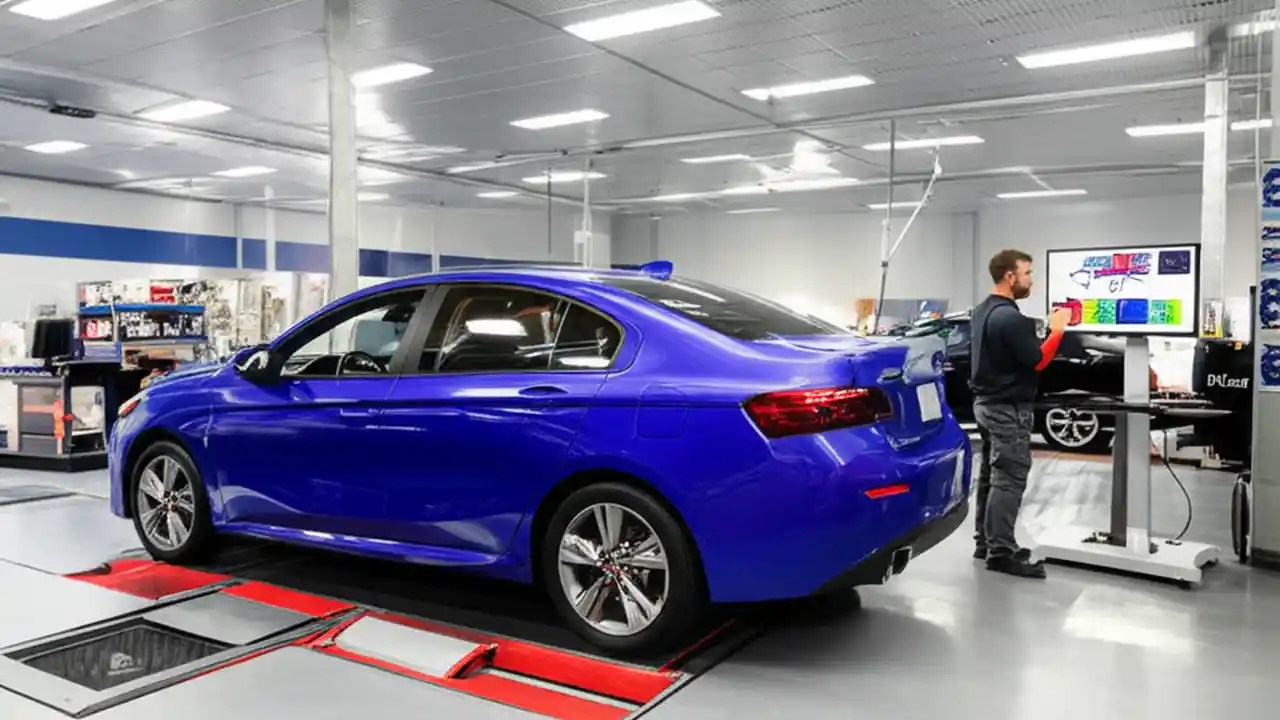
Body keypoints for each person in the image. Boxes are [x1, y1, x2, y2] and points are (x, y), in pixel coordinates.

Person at [971, 249, 1071, 578]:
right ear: (1010, 276)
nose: (1032, 280)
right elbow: (1037, 360)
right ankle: (1001, 552)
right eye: (1027, 273)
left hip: (986, 404)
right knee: (1010, 477)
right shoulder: (1011, 318)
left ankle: (985, 542)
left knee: (990, 474)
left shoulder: (982, 311)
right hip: (1008, 408)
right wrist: (1058, 330)